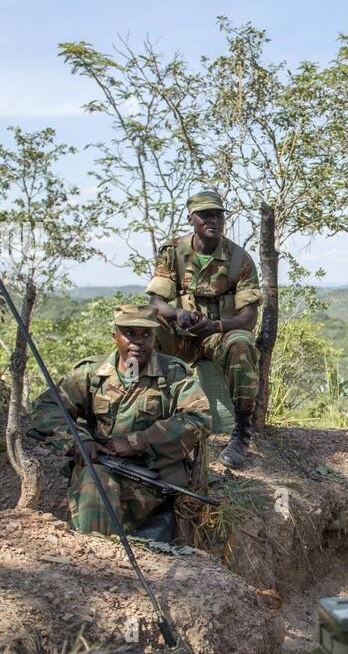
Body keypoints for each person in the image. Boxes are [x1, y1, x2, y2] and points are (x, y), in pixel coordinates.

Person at [28, 303, 211, 537]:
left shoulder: (172, 373)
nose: (138, 341)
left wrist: (139, 441)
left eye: (146, 334)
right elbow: (48, 406)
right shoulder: (92, 372)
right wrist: (79, 440)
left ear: (155, 337)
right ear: (115, 335)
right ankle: (98, 562)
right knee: (95, 484)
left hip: (149, 479)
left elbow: (200, 417)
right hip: (101, 468)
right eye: (129, 333)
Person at [146, 190, 261, 468]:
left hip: (219, 336)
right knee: (146, 328)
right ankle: (146, 416)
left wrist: (217, 326)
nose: (214, 220)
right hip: (184, 337)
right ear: (191, 219)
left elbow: (248, 315)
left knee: (242, 344)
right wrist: (178, 314)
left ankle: (242, 434)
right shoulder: (174, 252)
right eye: (206, 214)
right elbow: (156, 300)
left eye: (219, 215)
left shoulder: (239, 259)